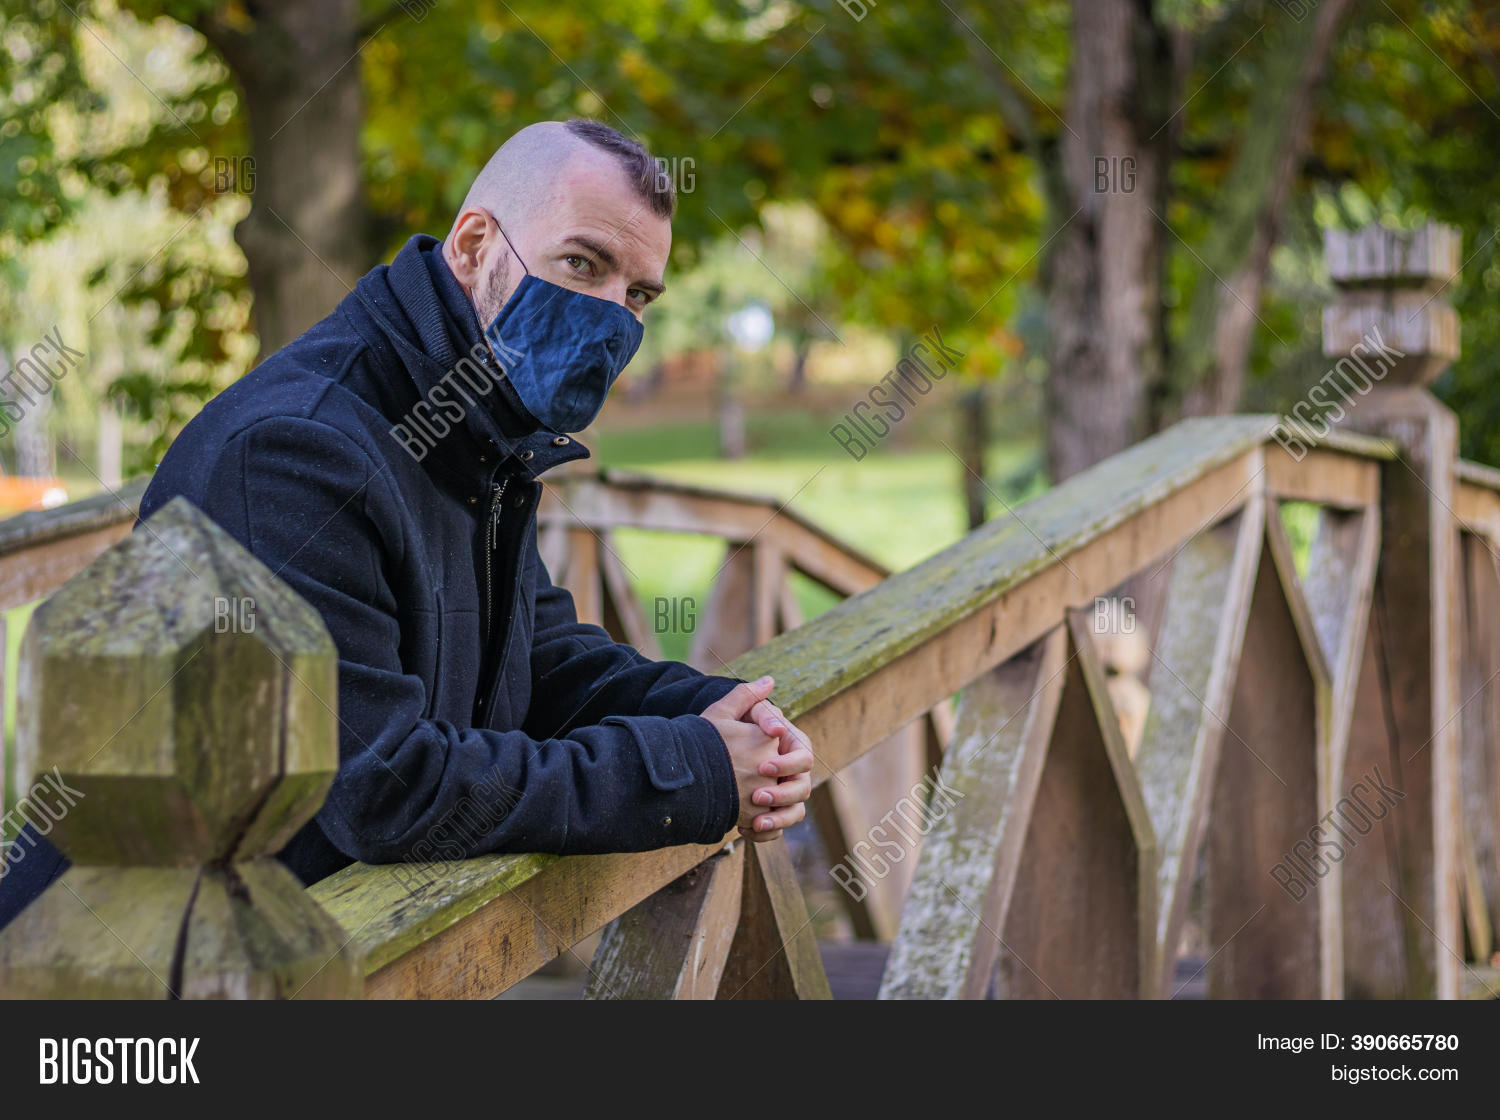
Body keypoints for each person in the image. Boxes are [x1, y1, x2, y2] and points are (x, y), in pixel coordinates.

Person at [0, 119, 814, 927]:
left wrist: (721, 716)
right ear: (472, 246)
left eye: (637, 295)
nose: (610, 317)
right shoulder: (295, 452)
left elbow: (532, 659)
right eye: (582, 263)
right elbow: (385, 786)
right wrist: (687, 770)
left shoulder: (478, 428)